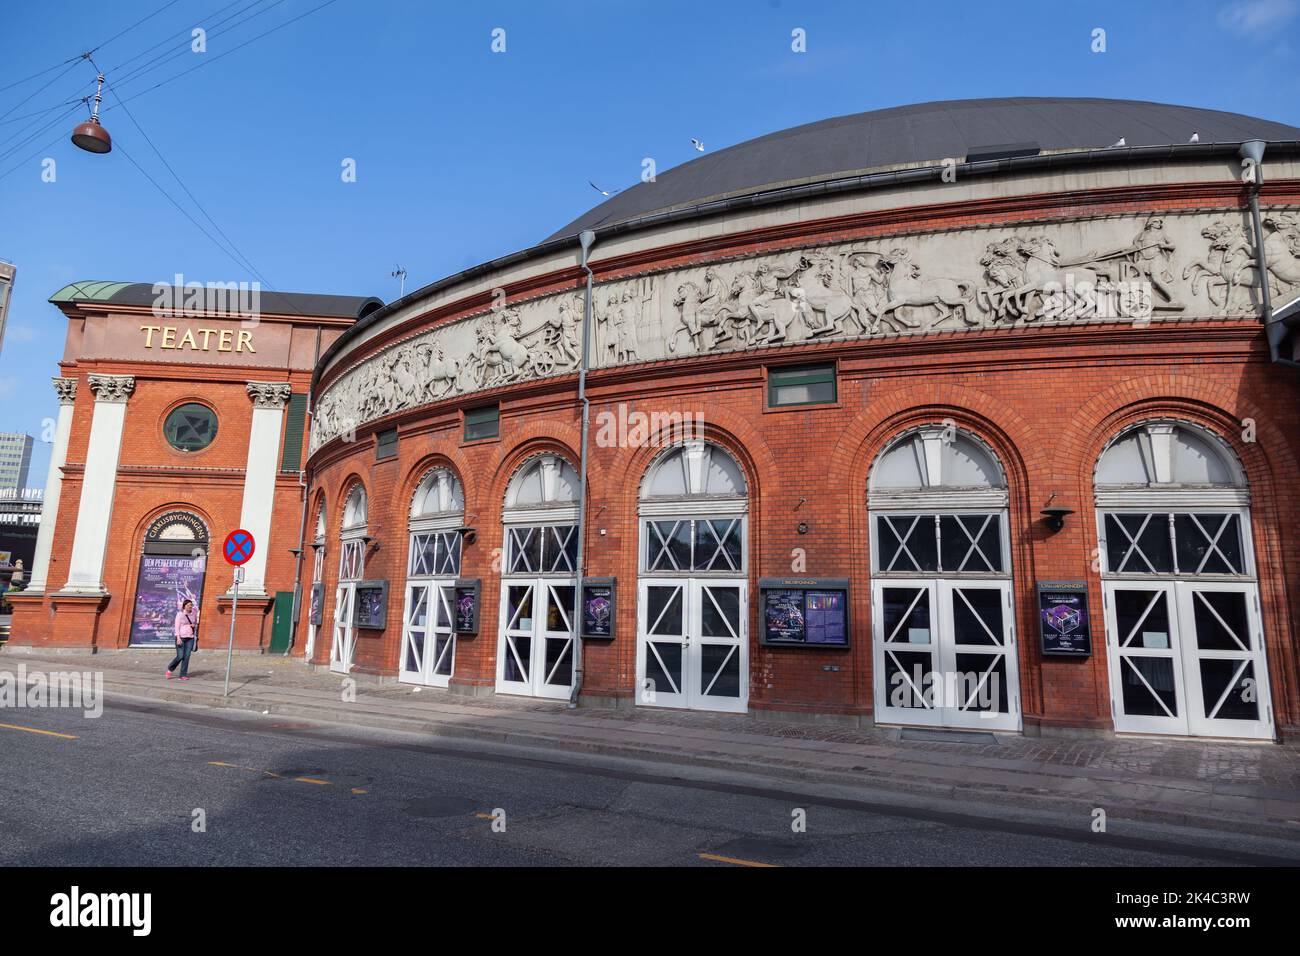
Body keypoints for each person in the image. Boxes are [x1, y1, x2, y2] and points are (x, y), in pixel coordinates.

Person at [166, 599, 199, 680]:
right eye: (188, 605)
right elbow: (176, 626)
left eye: (191, 605)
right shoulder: (180, 614)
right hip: (181, 637)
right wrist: (178, 637)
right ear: (184, 606)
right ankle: (170, 668)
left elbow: (195, 624)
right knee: (180, 656)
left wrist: (194, 625)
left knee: (186, 657)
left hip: (190, 638)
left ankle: (183, 675)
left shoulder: (193, 614)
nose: (189, 606)